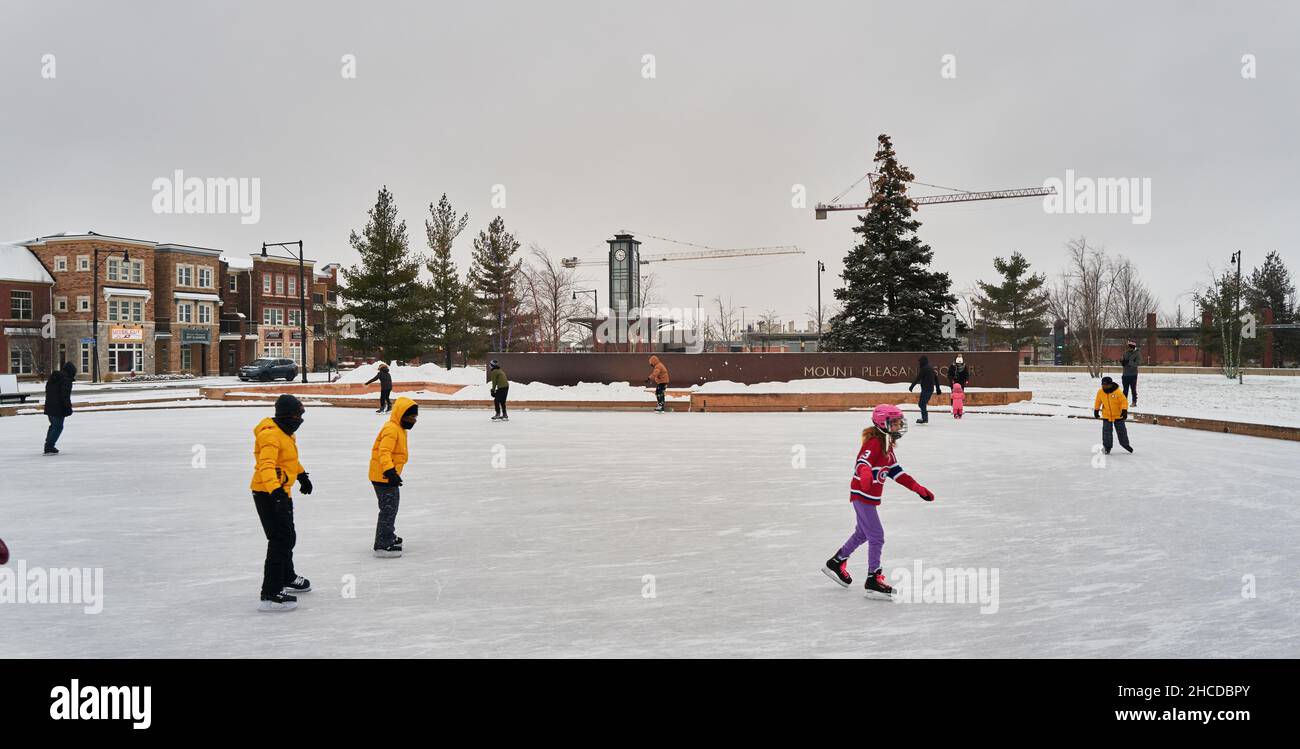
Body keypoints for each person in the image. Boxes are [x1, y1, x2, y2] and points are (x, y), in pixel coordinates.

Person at [823, 404, 935, 599]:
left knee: (862, 533)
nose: (899, 426)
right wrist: (865, 473)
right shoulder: (874, 443)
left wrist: (918, 488)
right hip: (862, 494)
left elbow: (897, 473)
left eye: (900, 422)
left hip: (869, 496)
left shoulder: (887, 445)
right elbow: (862, 462)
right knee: (877, 536)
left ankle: (836, 561)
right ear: (883, 423)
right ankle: (873, 579)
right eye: (896, 423)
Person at [250, 394, 313, 612]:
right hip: (268, 493)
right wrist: (275, 491)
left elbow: (289, 460)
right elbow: (265, 465)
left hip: (281, 492)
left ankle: (287, 576)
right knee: (279, 539)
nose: (300, 420)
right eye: (298, 415)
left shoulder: (286, 433)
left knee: (288, 537)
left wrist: (302, 475)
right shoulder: (270, 435)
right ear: (288, 415)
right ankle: (270, 593)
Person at [369, 397, 418, 558]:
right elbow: (384, 452)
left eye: (415, 417)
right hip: (383, 476)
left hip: (386, 475)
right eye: (411, 417)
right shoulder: (391, 429)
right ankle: (382, 544)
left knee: (391, 507)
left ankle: (388, 535)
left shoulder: (399, 428)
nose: (414, 420)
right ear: (401, 415)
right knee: (388, 509)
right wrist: (390, 471)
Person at [1093, 376, 1134, 454]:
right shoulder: (1100, 392)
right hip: (1106, 415)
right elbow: (1098, 401)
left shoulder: (1117, 392)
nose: (1104, 387)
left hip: (1118, 415)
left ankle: (1125, 444)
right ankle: (1107, 448)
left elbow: (1123, 401)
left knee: (1122, 432)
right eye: (1103, 385)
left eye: (1106, 385)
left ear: (1110, 384)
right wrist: (1096, 410)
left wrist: (1124, 410)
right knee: (1106, 433)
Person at [43, 361, 76, 455]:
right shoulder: (66, 380)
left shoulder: (53, 378)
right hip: (58, 408)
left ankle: (48, 444)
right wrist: (68, 408)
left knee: (53, 426)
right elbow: (65, 396)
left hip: (50, 406)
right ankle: (49, 446)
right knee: (58, 427)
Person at [907, 355, 943, 424]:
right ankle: (924, 418)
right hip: (929, 389)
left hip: (926, 389)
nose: (919, 363)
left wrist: (912, 386)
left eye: (920, 362)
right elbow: (936, 379)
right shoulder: (930, 368)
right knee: (922, 404)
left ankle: (925, 418)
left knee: (922, 404)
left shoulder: (924, 369)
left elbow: (918, 378)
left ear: (923, 362)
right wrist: (938, 389)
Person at [1121, 341, 1140, 407]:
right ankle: (1124, 402)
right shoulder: (1125, 353)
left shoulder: (1137, 354)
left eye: (1130, 347)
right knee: (1125, 390)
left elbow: (1137, 363)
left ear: (1133, 347)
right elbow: (1123, 361)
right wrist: (1122, 362)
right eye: (1128, 347)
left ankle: (1134, 402)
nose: (1129, 348)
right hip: (1125, 374)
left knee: (1133, 389)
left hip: (1133, 375)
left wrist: (1129, 362)